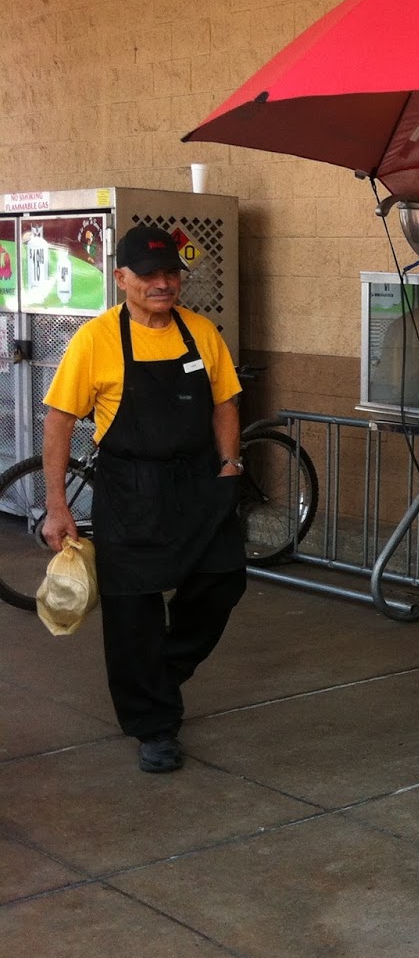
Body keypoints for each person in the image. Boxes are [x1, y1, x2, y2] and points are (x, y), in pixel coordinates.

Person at [41, 227, 246, 774]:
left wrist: (230, 463)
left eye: (171, 273)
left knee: (223, 579)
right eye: (150, 275)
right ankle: (153, 725)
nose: (163, 284)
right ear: (122, 278)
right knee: (133, 613)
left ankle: (158, 674)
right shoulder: (95, 339)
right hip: (130, 489)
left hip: (200, 483)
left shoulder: (200, 332)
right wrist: (57, 505)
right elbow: (60, 421)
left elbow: (225, 402)